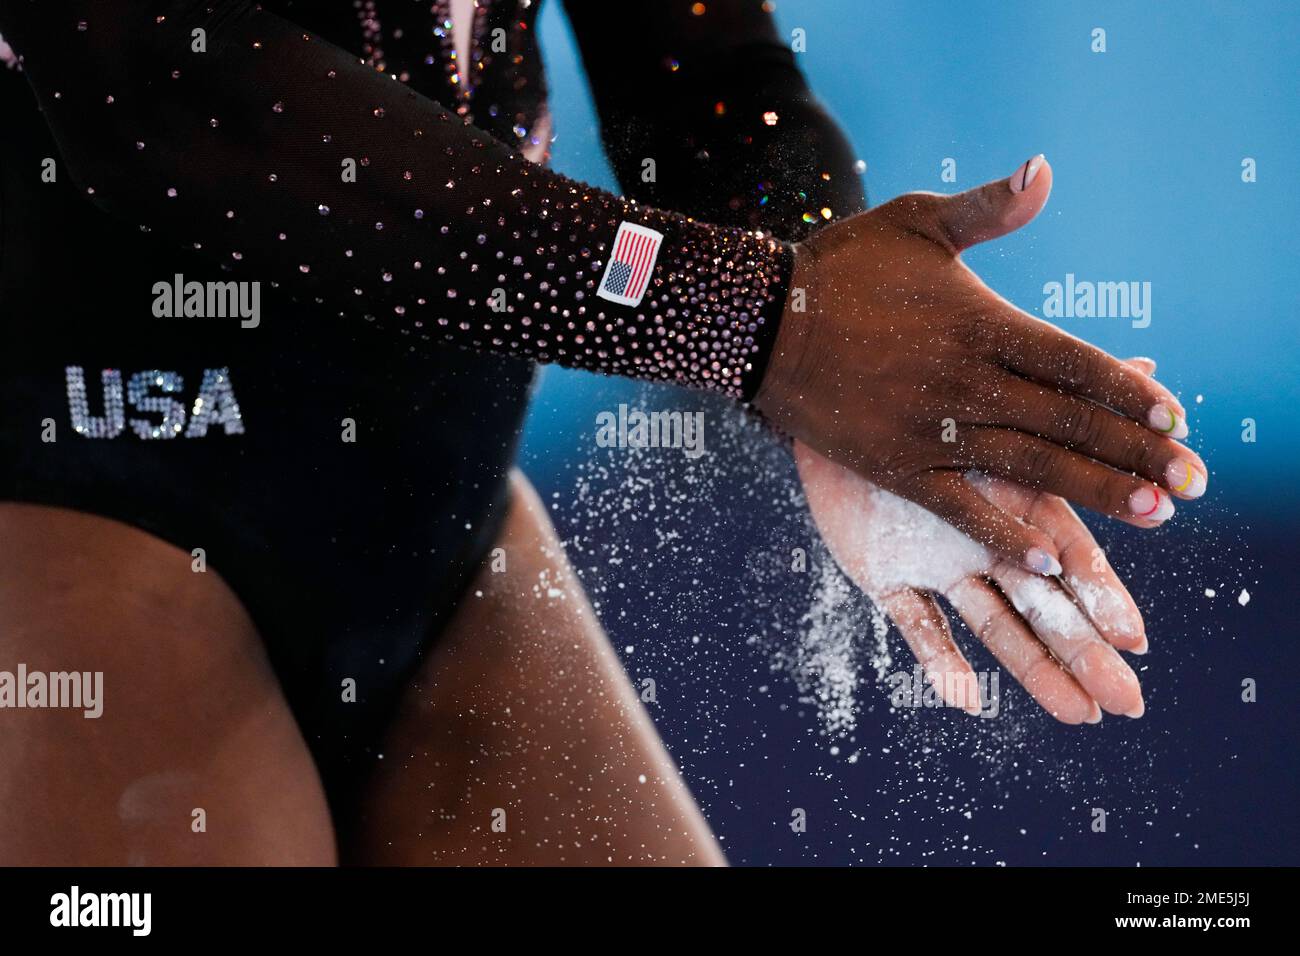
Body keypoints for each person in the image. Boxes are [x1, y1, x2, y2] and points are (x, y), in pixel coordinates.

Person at [0, 0, 1200, 865]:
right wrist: (765, 324)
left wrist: (843, 298)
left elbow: (699, 71)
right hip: (90, 507)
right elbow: (176, 91)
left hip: (447, 538)